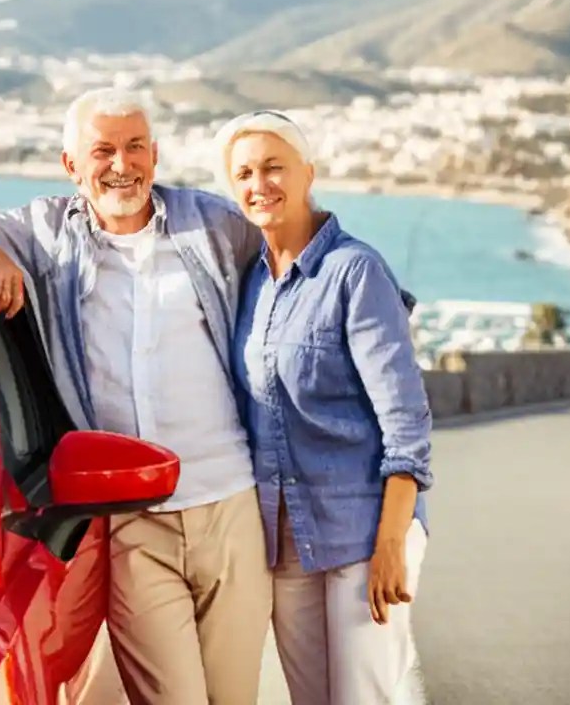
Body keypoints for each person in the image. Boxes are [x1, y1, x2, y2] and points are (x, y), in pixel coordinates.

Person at [0, 87, 272, 704]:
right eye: (102, 151)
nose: (121, 165)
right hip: (131, 519)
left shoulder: (216, 225)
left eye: (135, 147)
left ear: (155, 154)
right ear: (71, 166)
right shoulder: (44, 233)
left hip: (231, 505)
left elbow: (297, 263)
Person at [213, 109, 434, 704]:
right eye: (245, 174)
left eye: (274, 167)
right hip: (284, 544)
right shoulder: (250, 283)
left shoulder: (354, 272)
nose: (260, 184)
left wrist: (391, 544)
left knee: (364, 698)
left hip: (362, 536)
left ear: (308, 173)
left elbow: (406, 422)